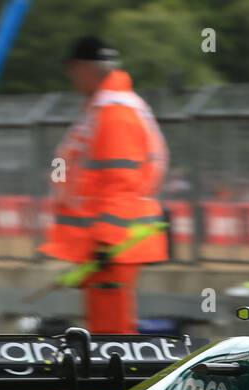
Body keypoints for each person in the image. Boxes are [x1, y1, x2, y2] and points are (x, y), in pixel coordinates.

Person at [41, 36, 169, 336]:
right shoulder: (108, 107)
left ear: (85, 68)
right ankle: (112, 384)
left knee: (113, 335)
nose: (71, 78)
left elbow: (120, 180)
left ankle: (118, 385)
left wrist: (105, 242)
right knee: (106, 330)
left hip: (113, 243)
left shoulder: (114, 113)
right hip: (109, 244)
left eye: (72, 70)